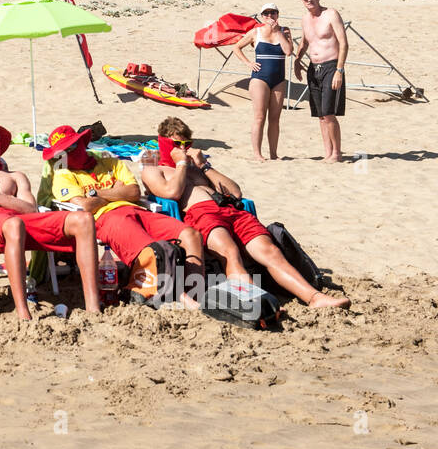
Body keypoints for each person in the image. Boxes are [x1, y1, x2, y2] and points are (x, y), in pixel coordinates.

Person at [138, 117, 350, 309]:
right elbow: (172, 193)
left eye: (186, 144)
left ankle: (314, 298)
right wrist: (181, 163)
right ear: (165, 144)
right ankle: (258, 303)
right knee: (230, 253)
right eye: (177, 145)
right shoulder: (154, 169)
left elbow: (236, 192)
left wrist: (204, 166)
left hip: (231, 210)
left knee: (270, 251)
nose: (183, 149)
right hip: (201, 214)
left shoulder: (197, 168)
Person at [0, 122, 100, 320]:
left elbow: (30, 209)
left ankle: (93, 307)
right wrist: (12, 202)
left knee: (84, 219)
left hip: (22, 222)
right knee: (15, 224)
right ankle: (22, 312)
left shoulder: (16, 176)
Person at [45, 125, 203, 308]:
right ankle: (181, 297)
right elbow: (85, 206)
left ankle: (195, 292)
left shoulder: (110, 162)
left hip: (137, 209)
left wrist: (97, 194)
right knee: (151, 250)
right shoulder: (63, 174)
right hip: (106, 218)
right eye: (60, 152)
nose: (65, 155)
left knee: (191, 235)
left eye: (70, 147)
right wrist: (116, 191)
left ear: (82, 142)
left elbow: (134, 192)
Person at [293, 0, 348, 162]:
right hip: (313, 68)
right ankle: (328, 153)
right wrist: (296, 60)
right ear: (302, 0)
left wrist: (339, 70)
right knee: (320, 114)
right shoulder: (305, 19)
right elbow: (304, 42)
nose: (309, 0)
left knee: (329, 112)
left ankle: (337, 153)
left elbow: (344, 43)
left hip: (331, 66)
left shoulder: (331, 14)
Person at [233, 3, 293, 161]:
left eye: (272, 13)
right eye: (266, 14)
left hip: (278, 79)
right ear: (261, 16)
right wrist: (248, 63)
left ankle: (273, 153)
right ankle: (257, 153)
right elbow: (236, 48)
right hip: (260, 78)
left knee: (275, 118)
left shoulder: (285, 31)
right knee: (260, 116)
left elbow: (288, 51)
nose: (269, 16)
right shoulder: (256, 32)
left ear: (277, 15)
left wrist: (277, 32)